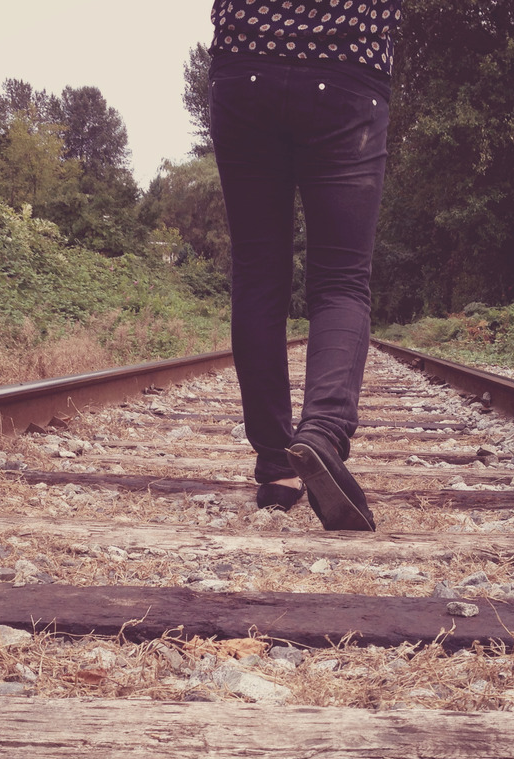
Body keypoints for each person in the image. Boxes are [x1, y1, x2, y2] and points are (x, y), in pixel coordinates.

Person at [208, 0, 402, 532]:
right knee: (341, 279)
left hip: (244, 64)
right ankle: (322, 433)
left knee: (258, 273)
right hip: (347, 70)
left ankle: (276, 464)